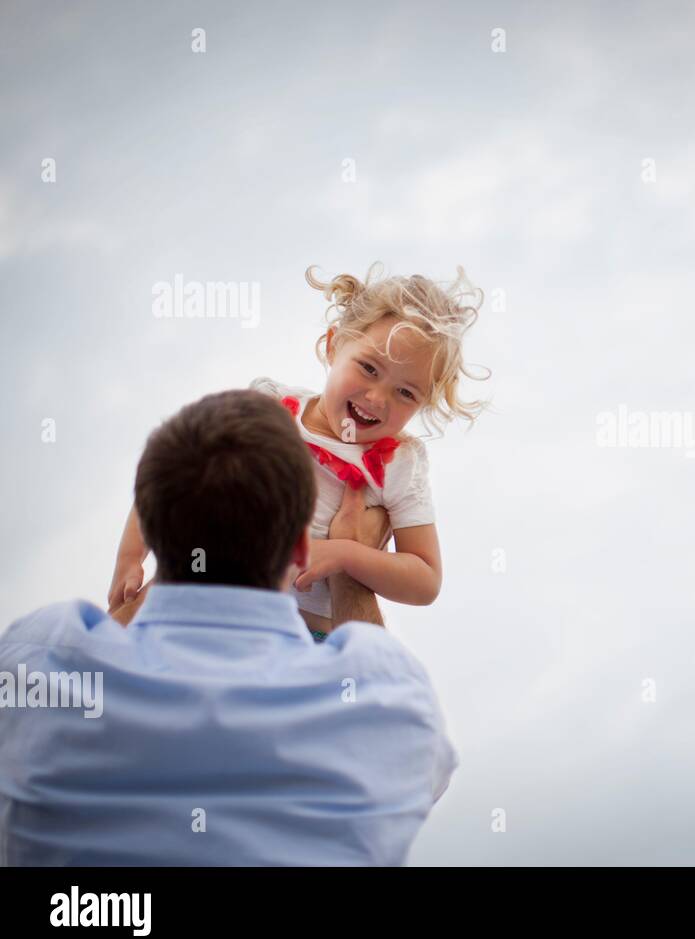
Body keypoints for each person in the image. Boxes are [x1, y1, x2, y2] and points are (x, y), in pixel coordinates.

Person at [0, 389, 457, 865]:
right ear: (302, 546)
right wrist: (349, 561)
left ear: (154, 533)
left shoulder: (33, 667)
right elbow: (415, 767)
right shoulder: (389, 702)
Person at [107, 263, 489, 641]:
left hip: (309, 636)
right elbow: (176, 474)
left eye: (406, 393)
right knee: (129, 637)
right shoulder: (272, 406)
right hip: (216, 597)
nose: (377, 398)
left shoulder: (401, 463)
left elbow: (424, 579)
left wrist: (343, 554)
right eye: (369, 368)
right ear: (333, 343)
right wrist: (130, 558)